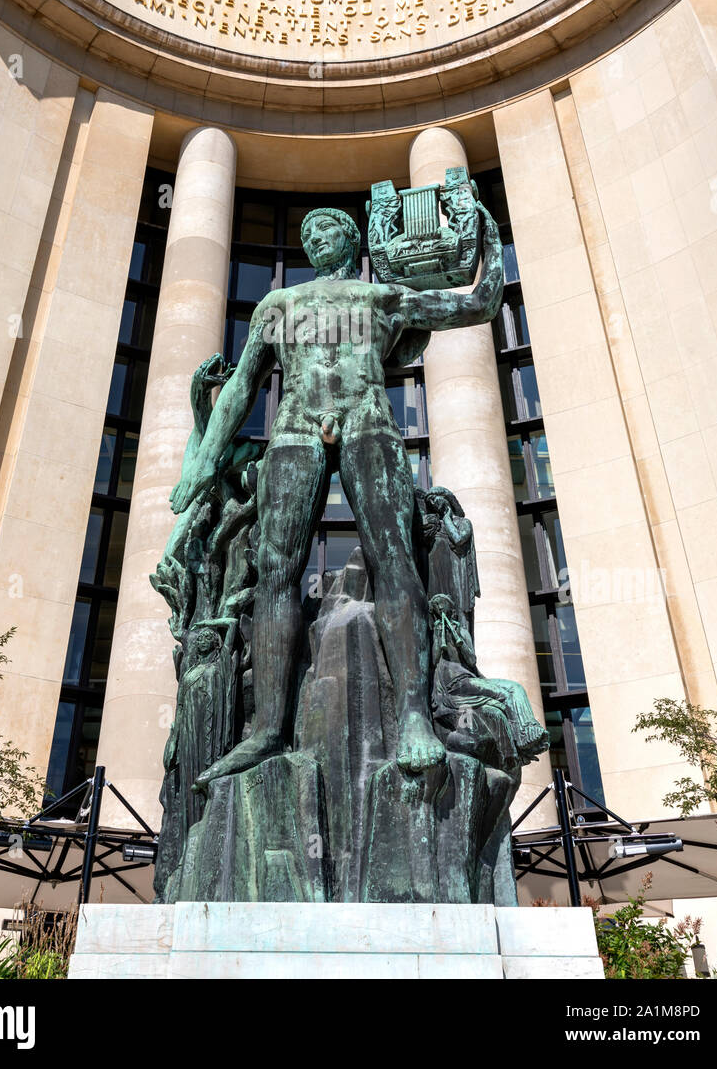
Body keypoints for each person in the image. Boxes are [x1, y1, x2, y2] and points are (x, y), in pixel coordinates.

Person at [170, 200, 504, 788]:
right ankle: (268, 731)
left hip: (366, 420)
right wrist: (200, 463)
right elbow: (243, 385)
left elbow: (476, 304)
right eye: (308, 233)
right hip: (296, 426)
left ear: (353, 242)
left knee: (394, 561)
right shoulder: (279, 304)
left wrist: (487, 238)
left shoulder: (382, 297)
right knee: (274, 569)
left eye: (328, 229)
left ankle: (413, 718)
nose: (317, 238)